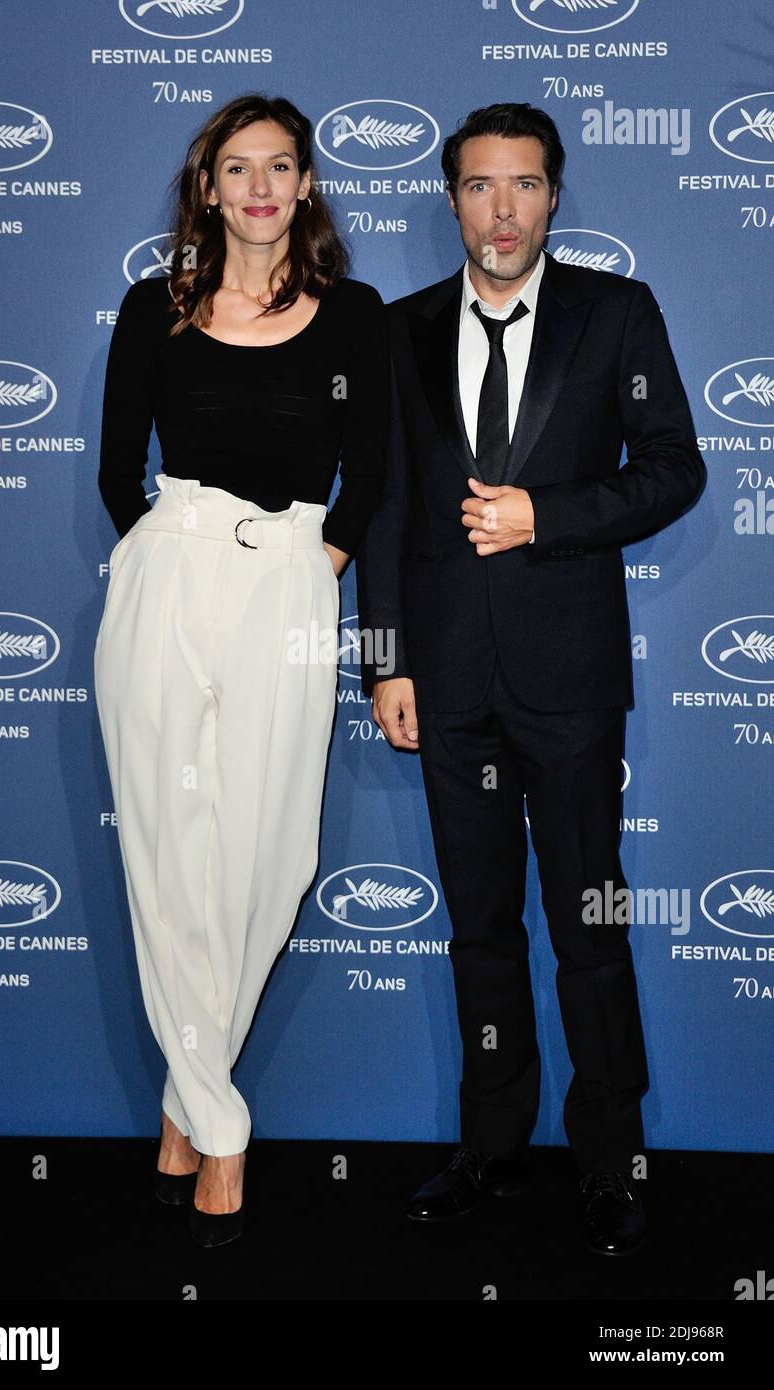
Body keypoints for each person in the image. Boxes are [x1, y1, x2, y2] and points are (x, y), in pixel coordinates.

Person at [355, 102, 706, 1256]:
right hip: (444, 683)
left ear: (554, 195)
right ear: (447, 197)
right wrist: (383, 664)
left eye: (521, 186)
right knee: (479, 931)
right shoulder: (401, 331)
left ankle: (609, 1160)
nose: (498, 210)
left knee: (588, 927)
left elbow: (671, 472)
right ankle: (490, 1145)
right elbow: (389, 509)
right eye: (475, 186)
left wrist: (542, 516)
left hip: (568, 680)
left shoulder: (615, 312)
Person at [93, 93, 389, 1247]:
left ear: (305, 186)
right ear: (205, 187)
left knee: (272, 853)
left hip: (291, 584)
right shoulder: (150, 311)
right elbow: (122, 471)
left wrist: (308, 561)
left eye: (280, 167)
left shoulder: (353, 314)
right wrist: (167, 554)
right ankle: (217, 1133)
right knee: (168, 852)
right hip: (169, 575)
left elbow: (368, 466)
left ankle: (183, 1101)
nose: (259, 187)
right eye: (236, 168)